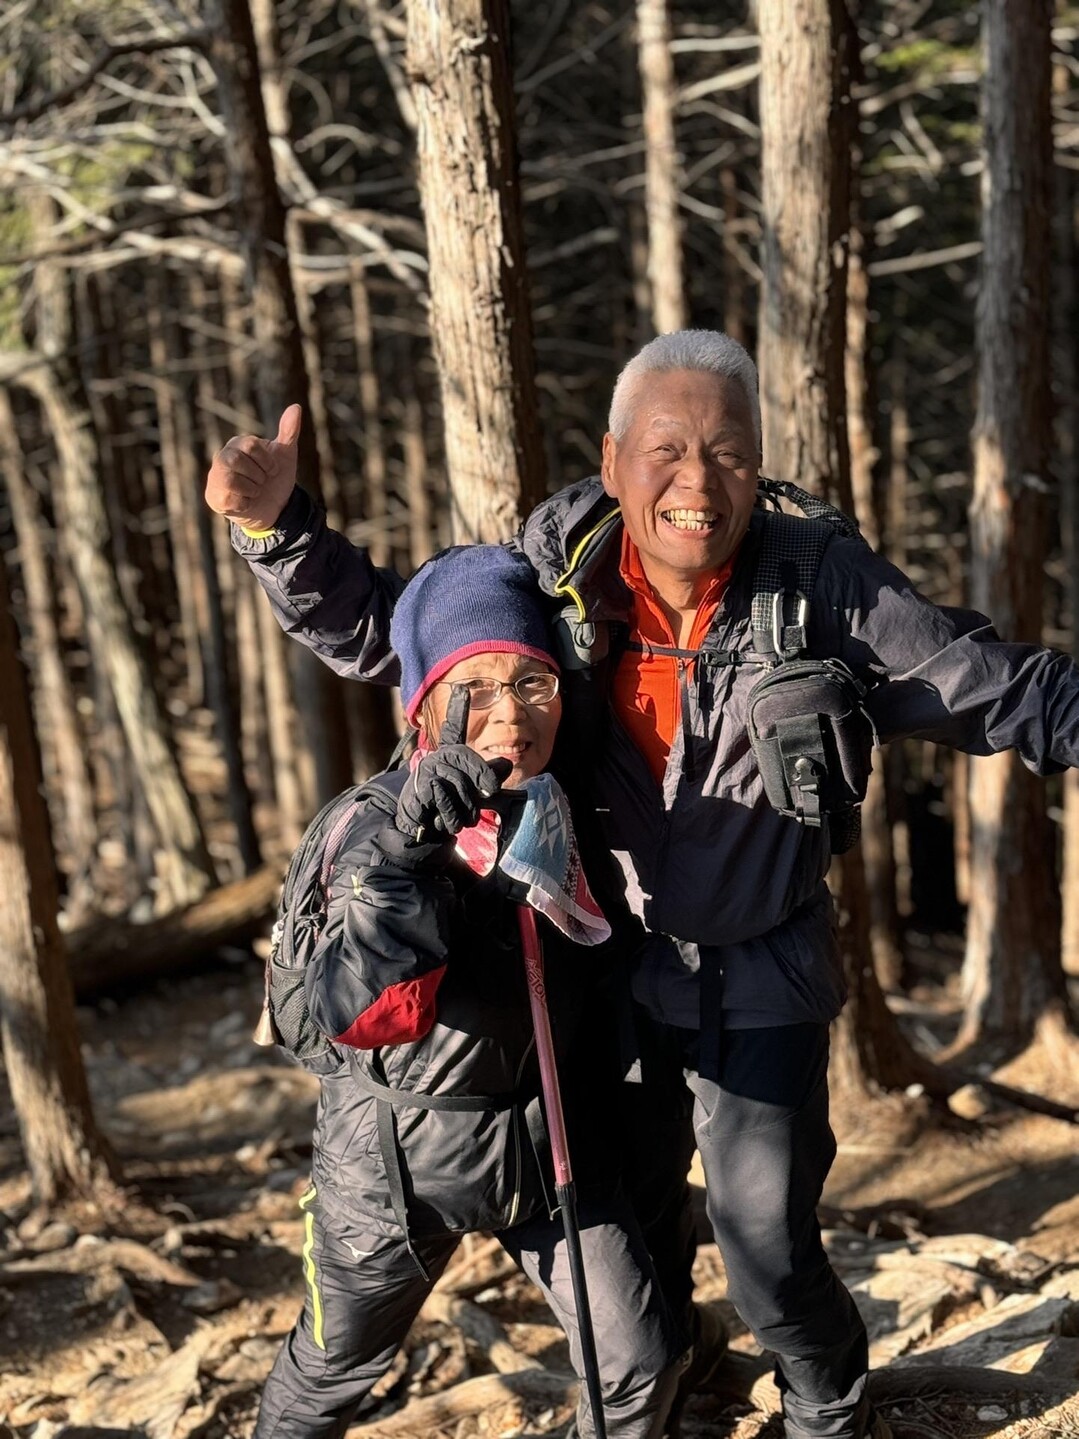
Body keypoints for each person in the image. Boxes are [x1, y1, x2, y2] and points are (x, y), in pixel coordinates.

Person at [207, 329, 1079, 1439]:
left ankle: (823, 1403)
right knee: (644, 1220)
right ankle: (682, 1384)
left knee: (762, 1243)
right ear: (613, 461)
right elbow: (409, 629)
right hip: (607, 971)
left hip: (760, 965)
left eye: (726, 451)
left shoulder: (821, 587)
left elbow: (993, 687)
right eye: (665, 448)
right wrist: (276, 533)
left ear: (757, 465)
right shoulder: (556, 572)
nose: (695, 479)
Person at [253, 543, 684, 1439]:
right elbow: (337, 1024)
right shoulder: (365, 825)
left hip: (546, 1149)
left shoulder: (569, 804)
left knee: (637, 1361)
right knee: (327, 1375)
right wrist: (410, 859)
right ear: (422, 705)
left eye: (531, 682)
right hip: (389, 1170)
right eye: (474, 689)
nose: (510, 716)